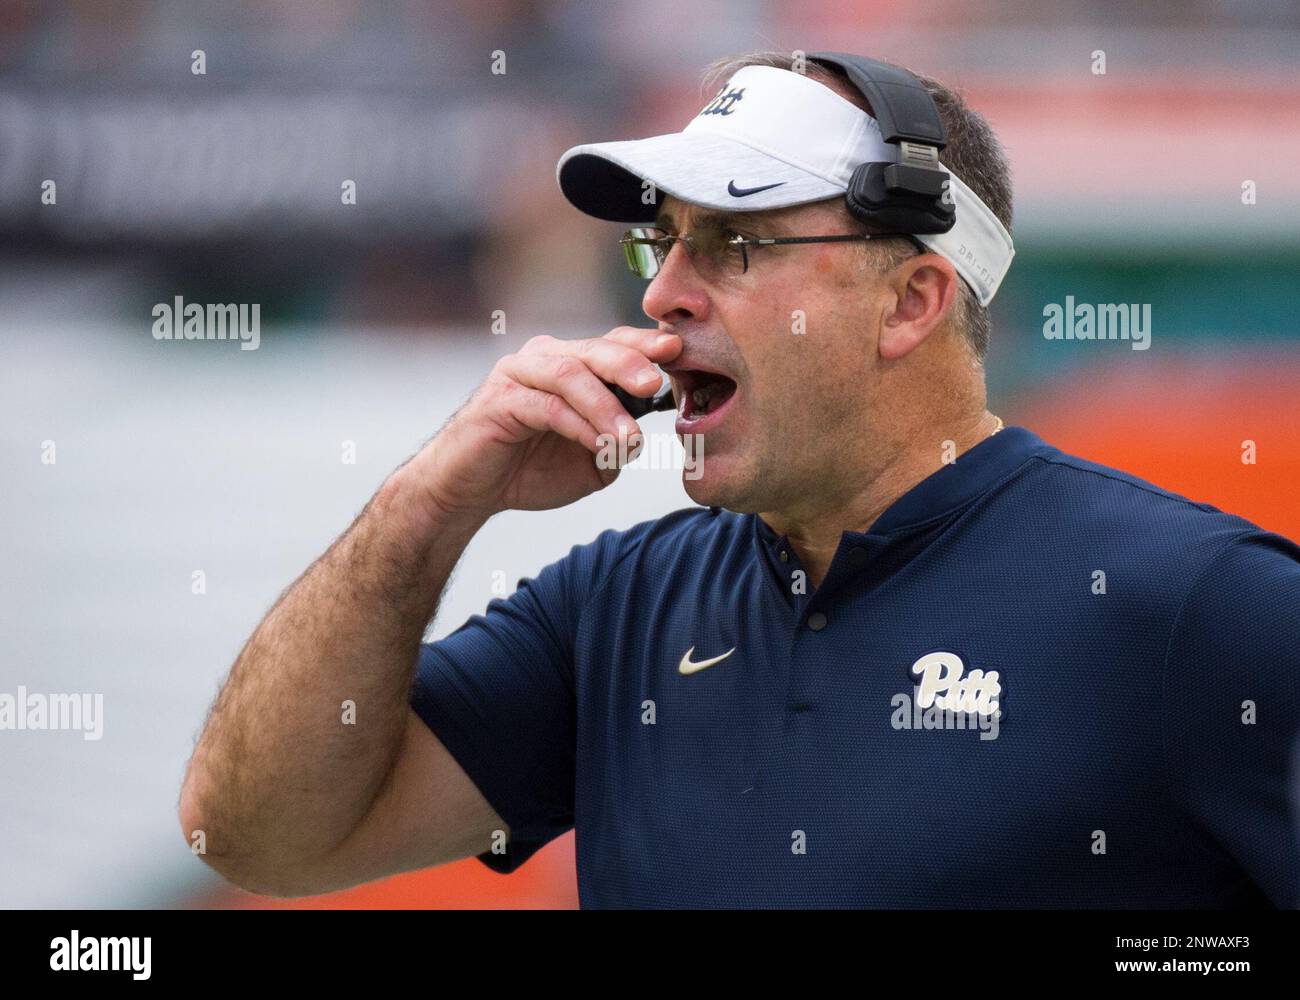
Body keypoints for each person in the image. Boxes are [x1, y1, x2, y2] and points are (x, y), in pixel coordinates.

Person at [180, 51, 1300, 908]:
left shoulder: (1196, 603)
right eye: (661, 243)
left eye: (734, 244)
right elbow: (256, 838)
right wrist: (426, 504)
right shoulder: (614, 608)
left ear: (910, 302)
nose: (660, 293)